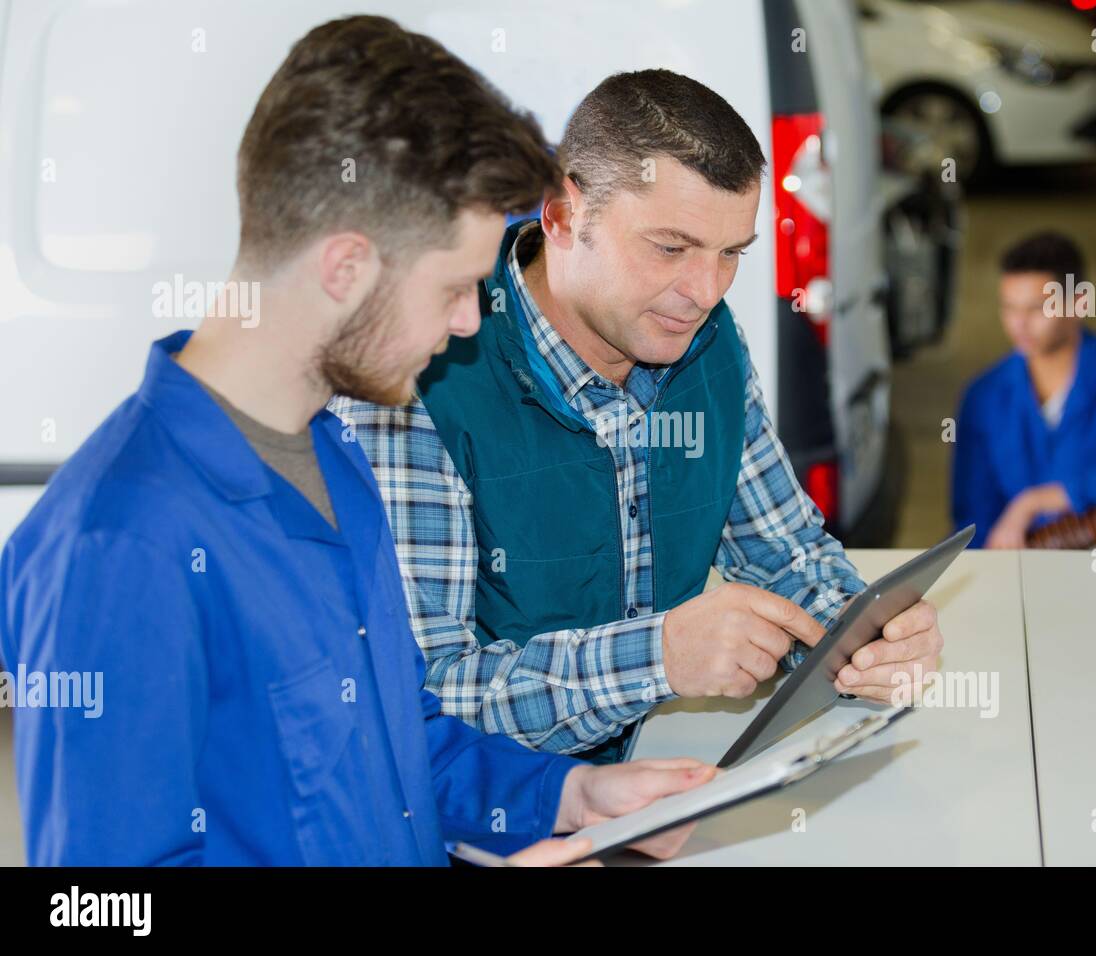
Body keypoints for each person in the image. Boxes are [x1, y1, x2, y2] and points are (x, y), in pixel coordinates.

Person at [0, 16, 714, 867]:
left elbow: (395, 745)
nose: (465, 324)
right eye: (454, 287)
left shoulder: (333, 454)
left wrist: (569, 796)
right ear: (345, 268)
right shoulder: (119, 546)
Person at [331, 69, 944, 763]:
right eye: (671, 247)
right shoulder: (428, 375)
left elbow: (788, 555)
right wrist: (658, 658)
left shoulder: (708, 347)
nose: (705, 291)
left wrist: (862, 635)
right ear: (562, 216)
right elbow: (430, 696)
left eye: (731, 255)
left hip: (658, 778)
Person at [952, 232, 1096, 549]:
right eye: (1009, 308)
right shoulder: (984, 397)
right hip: (1016, 568)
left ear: (1079, 303)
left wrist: (1038, 500)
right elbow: (972, 517)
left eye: (1036, 308)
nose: (1019, 324)